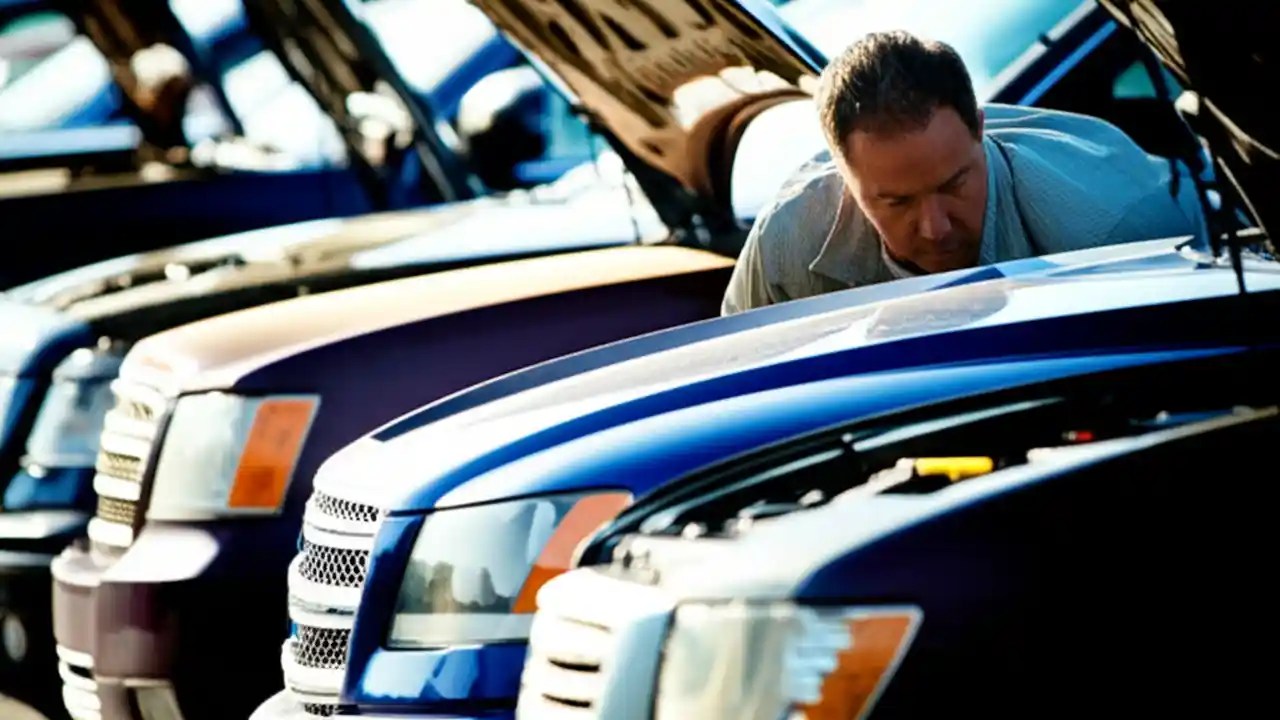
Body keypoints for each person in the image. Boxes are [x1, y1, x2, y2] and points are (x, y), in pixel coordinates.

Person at [721, 30, 1209, 315]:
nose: (935, 228)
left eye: (954, 184)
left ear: (979, 128)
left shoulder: (1118, 230)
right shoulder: (786, 249)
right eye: (895, 202)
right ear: (841, 173)